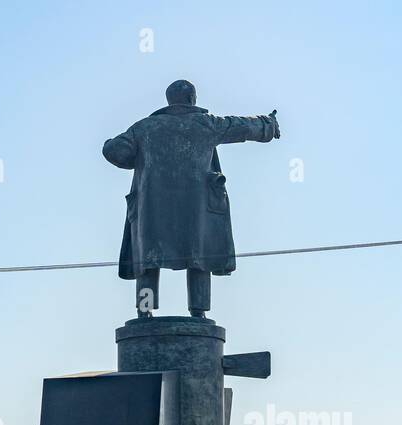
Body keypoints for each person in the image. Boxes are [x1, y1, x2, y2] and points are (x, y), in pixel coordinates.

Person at [103, 80, 280, 318]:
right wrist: (268, 124)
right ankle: (198, 312)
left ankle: (144, 312)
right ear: (192, 99)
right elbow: (243, 127)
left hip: (152, 210)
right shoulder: (207, 124)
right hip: (195, 209)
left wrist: (133, 157)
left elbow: (115, 151)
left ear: (169, 100)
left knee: (148, 259)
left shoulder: (144, 128)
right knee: (199, 257)